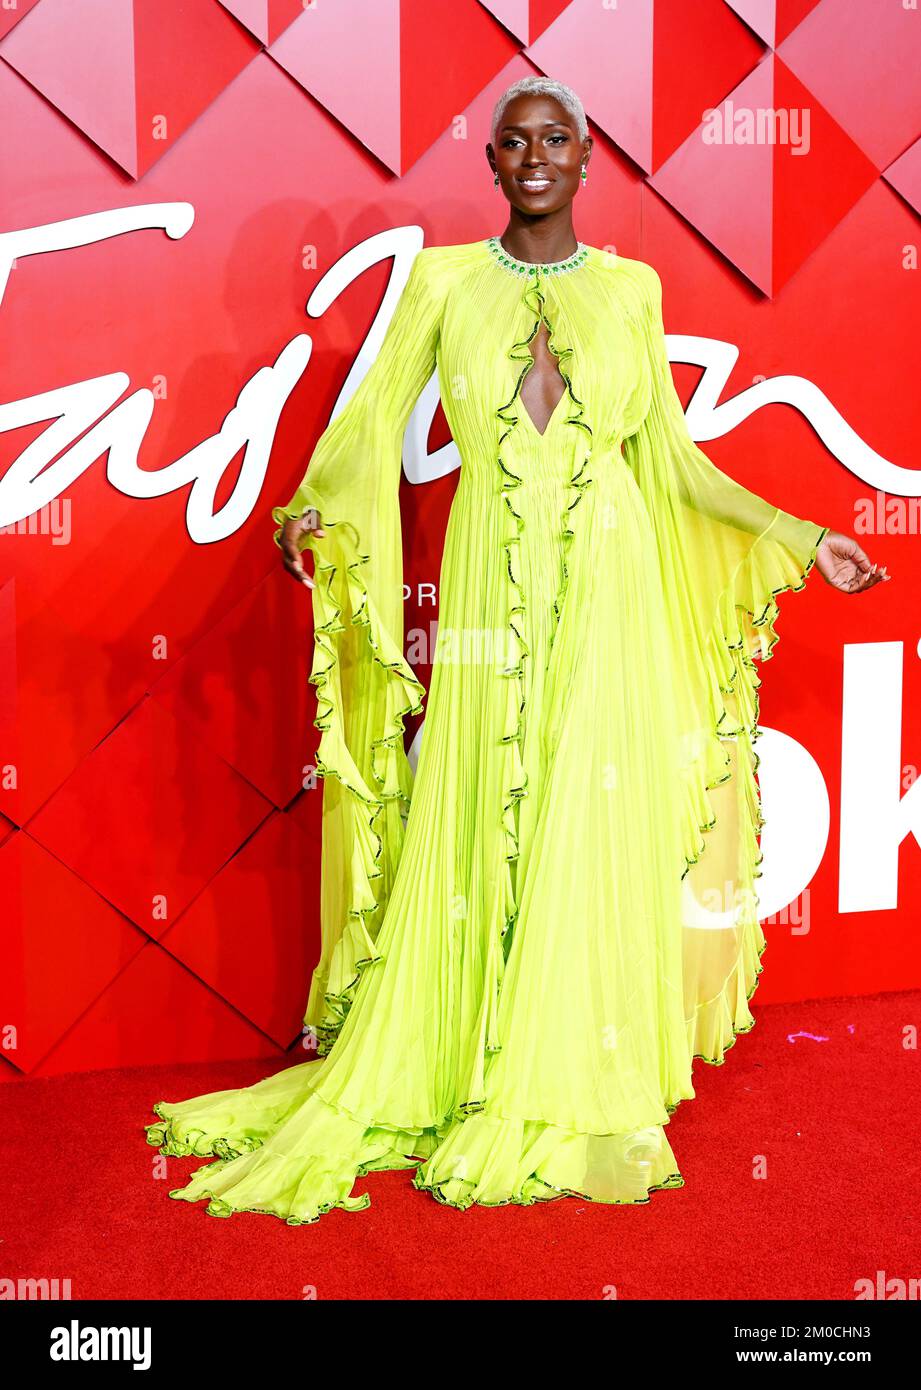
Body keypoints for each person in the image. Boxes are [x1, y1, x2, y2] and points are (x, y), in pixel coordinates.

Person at [146, 77, 888, 1224]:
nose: (536, 157)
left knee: (588, 819)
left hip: (610, 591)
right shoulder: (443, 282)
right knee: (483, 799)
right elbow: (367, 420)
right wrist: (311, 509)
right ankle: (465, 1057)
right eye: (515, 142)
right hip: (493, 585)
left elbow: (675, 465)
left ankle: (570, 1067)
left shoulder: (632, 290)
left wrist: (803, 535)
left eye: (558, 140)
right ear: (490, 162)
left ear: (589, 161)